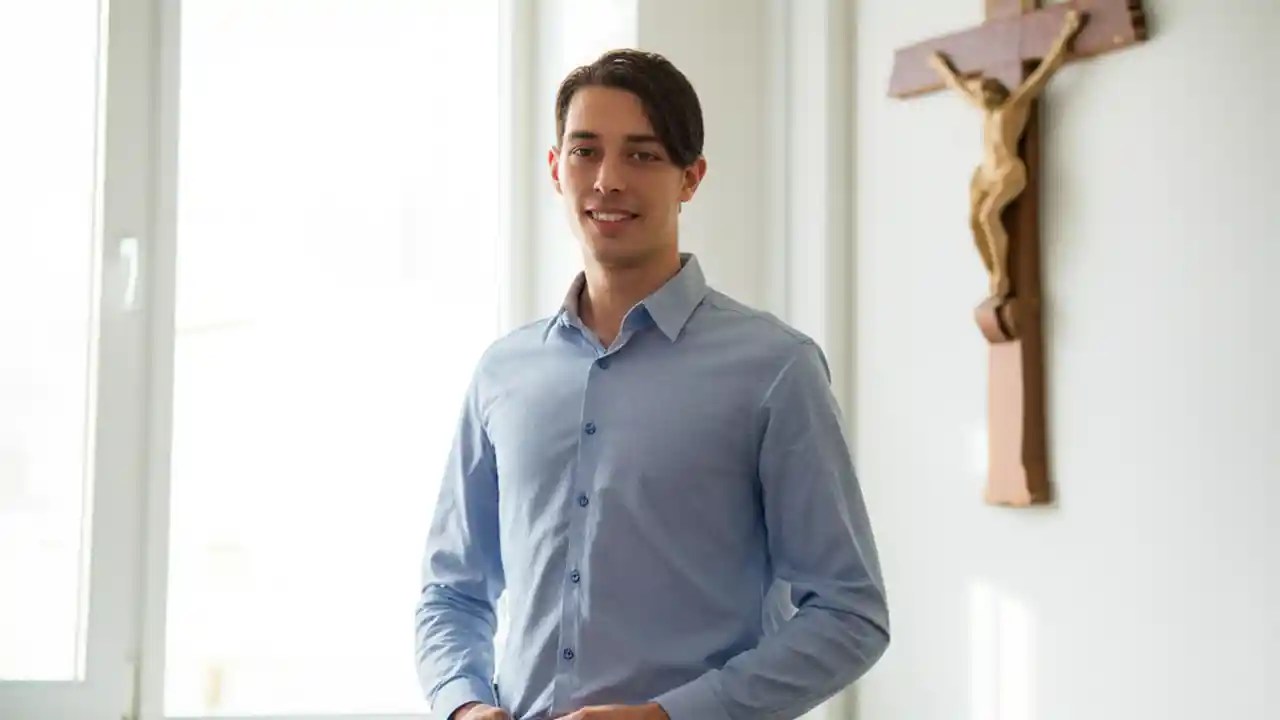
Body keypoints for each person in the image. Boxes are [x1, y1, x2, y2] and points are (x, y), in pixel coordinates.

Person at [415, 49, 889, 720]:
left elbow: (851, 613)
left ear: (690, 178)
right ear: (556, 169)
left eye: (641, 155)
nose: (607, 180)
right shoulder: (503, 372)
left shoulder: (775, 369)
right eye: (585, 152)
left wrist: (673, 716)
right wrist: (464, 705)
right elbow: (450, 591)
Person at [928, 9, 1083, 302]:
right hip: (985, 172)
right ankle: (993, 278)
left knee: (988, 216)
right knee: (974, 220)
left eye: (987, 94)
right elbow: (959, 87)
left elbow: (1048, 68)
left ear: (997, 93)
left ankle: (1001, 274)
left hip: (1008, 171)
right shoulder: (985, 110)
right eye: (981, 96)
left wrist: (1067, 31)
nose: (982, 98)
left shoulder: (1015, 104)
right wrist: (941, 68)